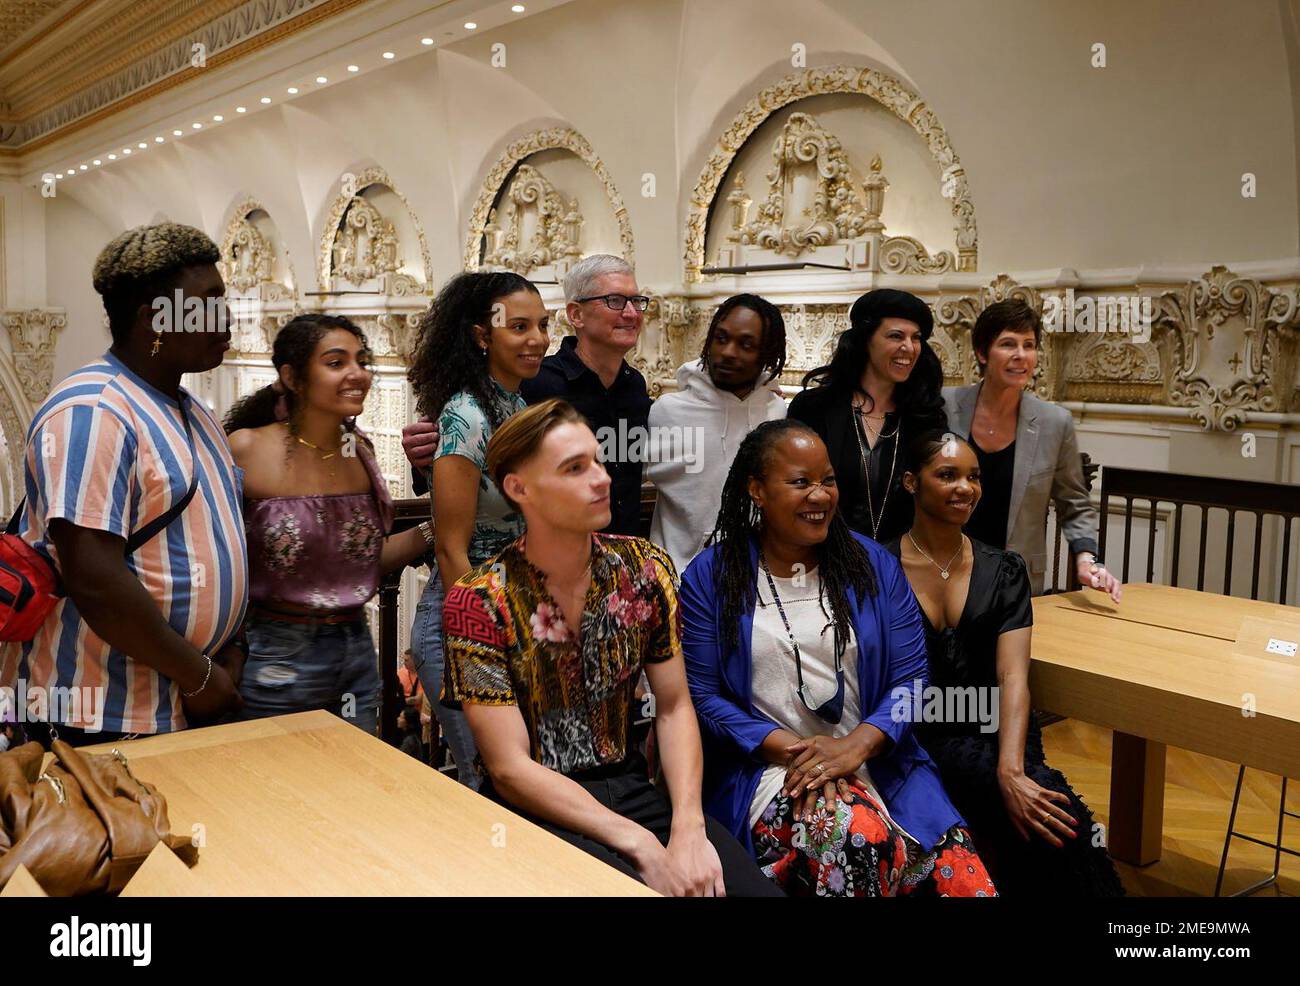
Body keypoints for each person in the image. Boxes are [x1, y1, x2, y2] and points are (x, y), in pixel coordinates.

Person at [442, 399, 780, 896]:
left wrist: (688, 827)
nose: (601, 478)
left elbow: (674, 705)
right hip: (534, 809)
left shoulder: (643, 569)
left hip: (630, 788)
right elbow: (509, 769)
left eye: (598, 460)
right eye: (575, 468)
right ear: (519, 489)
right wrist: (642, 845)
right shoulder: (479, 601)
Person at [679, 418, 997, 897]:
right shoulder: (713, 575)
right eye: (800, 482)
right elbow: (702, 695)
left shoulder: (872, 565)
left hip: (881, 762)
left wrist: (858, 745)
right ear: (757, 490)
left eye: (827, 480)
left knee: (965, 882)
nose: (821, 495)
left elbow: (913, 679)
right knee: (860, 841)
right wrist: (799, 752)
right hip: (774, 772)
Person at [0, 223, 247, 745]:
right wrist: (199, 674)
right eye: (210, 302)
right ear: (153, 318)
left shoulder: (190, 408)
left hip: (170, 703)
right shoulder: (94, 411)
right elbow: (94, 578)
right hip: (92, 715)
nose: (227, 318)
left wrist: (229, 646)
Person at [887, 429, 1124, 895]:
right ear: (912, 482)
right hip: (917, 730)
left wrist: (1012, 770)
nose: (965, 488)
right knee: (1000, 806)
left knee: (1054, 811)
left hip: (999, 729)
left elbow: (1013, 675)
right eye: (948, 475)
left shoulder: (1005, 569)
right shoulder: (879, 566)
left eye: (974, 477)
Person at [225, 314, 428, 735]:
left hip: (356, 646)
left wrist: (437, 525)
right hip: (277, 651)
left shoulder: (361, 452)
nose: (357, 374)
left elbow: (364, 564)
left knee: (352, 783)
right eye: (336, 363)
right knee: (275, 781)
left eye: (362, 360)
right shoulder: (247, 448)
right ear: (293, 376)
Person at [404, 270, 550, 786]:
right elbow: (449, 549)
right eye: (519, 327)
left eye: (542, 325)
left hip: (507, 615)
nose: (536, 340)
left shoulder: (516, 406)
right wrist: (486, 638)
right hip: (462, 624)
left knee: (519, 778)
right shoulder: (465, 415)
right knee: (491, 782)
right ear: (482, 336)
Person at [403, 255, 653, 537]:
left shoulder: (634, 386)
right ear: (576, 314)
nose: (632, 313)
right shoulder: (534, 384)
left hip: (618, 560)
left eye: (637, 301)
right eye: (615, 301)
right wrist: (423, 455)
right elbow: (467, 463)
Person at [942, 299, 1120, 599]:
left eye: (1029, 345)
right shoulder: (944, 407)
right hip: (943, 573)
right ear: (982, 353)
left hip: (1014, 581)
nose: (1021, 356)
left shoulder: (1054, 422)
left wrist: (1087, 558)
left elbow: (1074, 503)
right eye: (1008, 344)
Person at [787, 289, 947, 544]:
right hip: (820, 558)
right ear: (866, 340)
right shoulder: (814, 408)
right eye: (896, 336)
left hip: (896, 566)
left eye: (916, 338)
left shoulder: (925, 419)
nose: (909, 347)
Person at [645, 294, 788, 574]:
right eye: (721, 338)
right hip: (675, 577)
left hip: (750, 578)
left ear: (767, 354)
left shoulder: (775, 412)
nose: (728, 352)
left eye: (746, 345)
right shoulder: (667, 411)